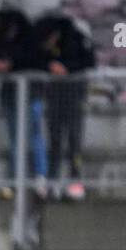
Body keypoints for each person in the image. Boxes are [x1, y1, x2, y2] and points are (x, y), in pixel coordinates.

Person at [0, 5, 47, 198]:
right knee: (15, 138)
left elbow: (35, 59)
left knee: (34, 135)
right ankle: (14, 178)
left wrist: (12, 64)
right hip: (10, 94)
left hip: (32, 94)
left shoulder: (28, 36)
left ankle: (39, 178)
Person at [34, 13, 95, 200]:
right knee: (54, 140)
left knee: (74, 140)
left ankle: (75, 181)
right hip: (54, 96)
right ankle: (52, 182)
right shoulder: (43, 43)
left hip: (75, 95)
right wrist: (49, 66)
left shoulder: (77, 38)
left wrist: (67, 69)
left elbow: (89, 62)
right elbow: (36, 60)